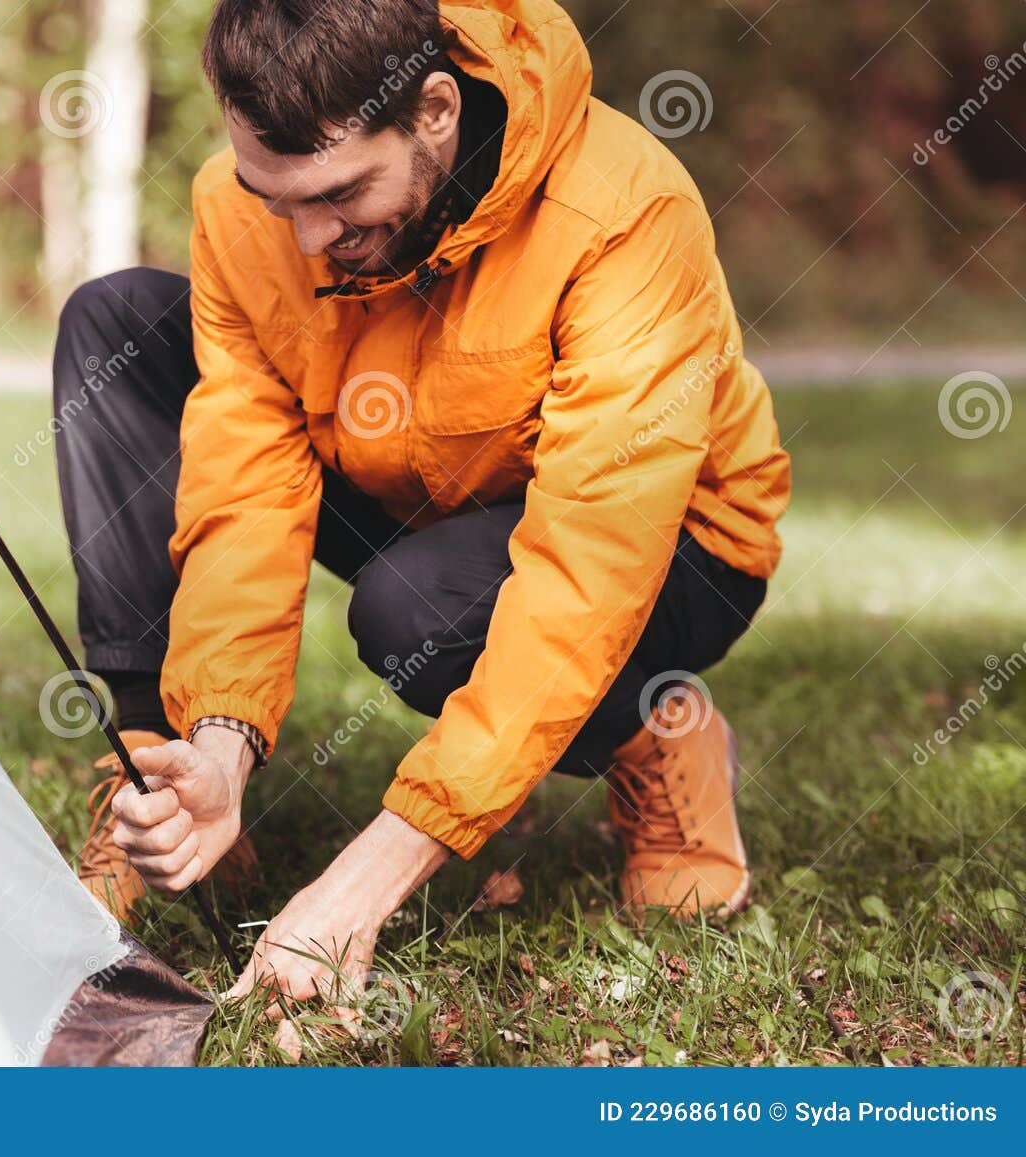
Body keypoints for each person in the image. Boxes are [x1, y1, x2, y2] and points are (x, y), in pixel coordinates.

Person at [52, 0, 791, 1003]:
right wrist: (217, 742)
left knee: (414, 611)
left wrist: (367, 876)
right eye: (277, 197)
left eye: (340, 192)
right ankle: (157, 778)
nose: (308, 237)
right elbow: (244, 479)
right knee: (118, 325)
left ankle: (652, 728)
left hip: (672, 541)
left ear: (435, 109)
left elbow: (586, 569)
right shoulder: (243, 207)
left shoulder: (623, 211)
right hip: (412, 478)